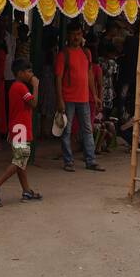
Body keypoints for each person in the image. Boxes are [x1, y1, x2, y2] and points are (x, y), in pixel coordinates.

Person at [0, 59, 43, 205]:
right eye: (28, 71)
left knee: (20, 161)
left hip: (18, 127)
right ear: (20, 73)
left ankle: (26, 191)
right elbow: (34, 103)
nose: (31, 74)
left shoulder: (17, 87)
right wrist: (36, 86)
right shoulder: (21, 87)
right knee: (20, 160)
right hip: (21, 127)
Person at [56, 24, 105, 172]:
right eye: (73, 34)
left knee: (87, 130)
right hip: (68, 98)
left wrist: (95, 95)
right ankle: (68, 161)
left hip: (84, 98)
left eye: (78, 34)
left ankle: (90, 160)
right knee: (67, 130)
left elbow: (89, 75)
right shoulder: (63, 54)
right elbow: (58, 78)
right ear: (68, 36)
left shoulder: (86, 53)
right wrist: (60, 100)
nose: (76, 37)